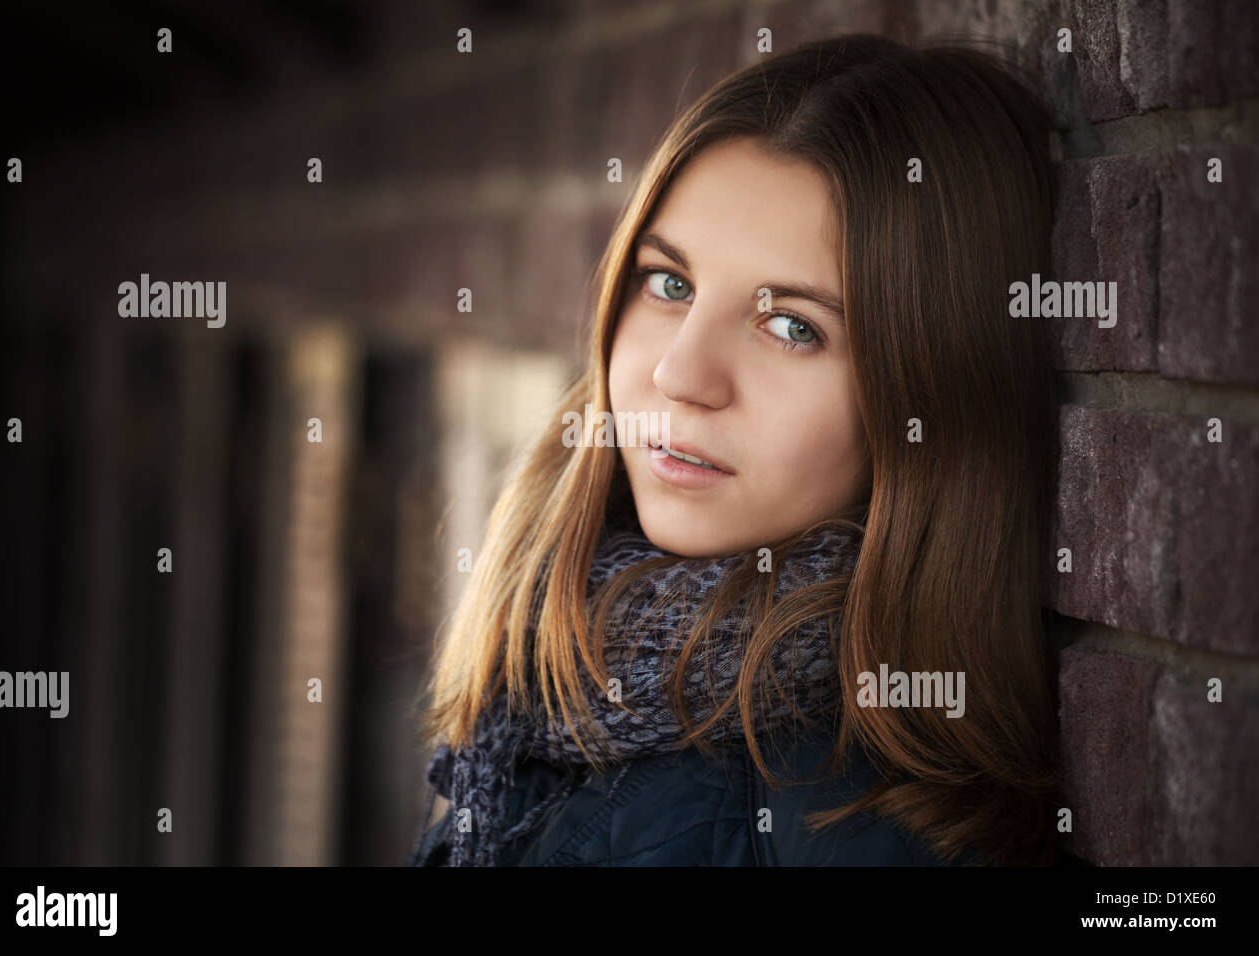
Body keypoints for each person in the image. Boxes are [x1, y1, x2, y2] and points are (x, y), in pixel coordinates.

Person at [406, 32, 1064, 867]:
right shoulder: (558, 677)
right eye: (669, 283)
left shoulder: (827, 822)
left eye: (792, 326)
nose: (683, 372)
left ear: (927, 399)